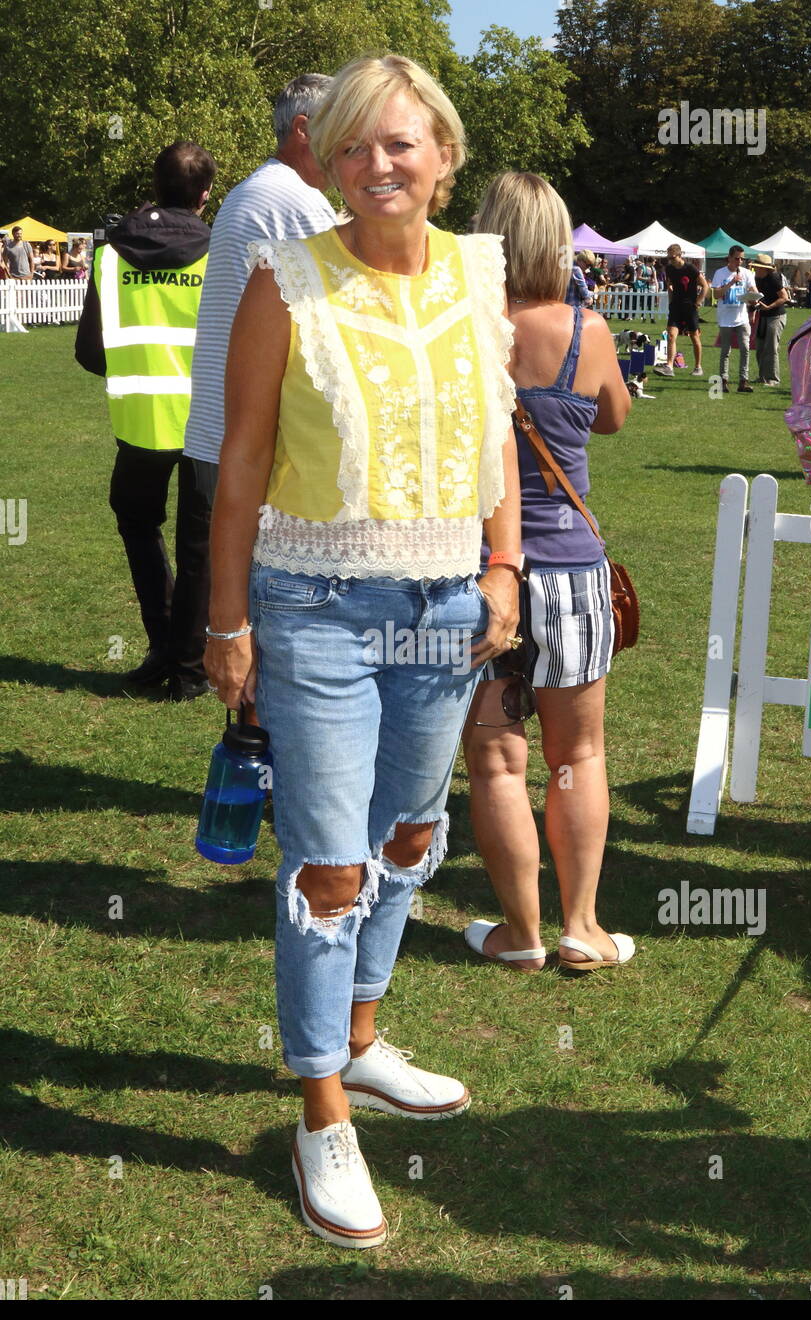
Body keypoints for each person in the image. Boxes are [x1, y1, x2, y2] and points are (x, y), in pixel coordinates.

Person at [206, 53, 522, 1250]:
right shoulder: (287, 281)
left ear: (444, 154)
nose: (378, 165)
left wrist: (505, 564)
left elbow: (493, 425)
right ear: (326, 159)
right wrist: (226, 622)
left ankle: (364, 1032)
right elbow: (238, 463)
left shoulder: (480, 272)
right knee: (330, 865)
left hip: (447, 607)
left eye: (401, 144)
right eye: (352, 146)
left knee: (409, 840)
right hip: (315, 605)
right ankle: (321, 1108)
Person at [462, 170, 633, 976]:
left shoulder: (465, 327)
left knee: (497, 756)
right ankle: (581, 925)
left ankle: (519, 931)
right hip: (570, 568)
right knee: (580, 754)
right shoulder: (589, 330)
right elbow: (615, 414)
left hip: (482, 570)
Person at [75, 141, 217, 699]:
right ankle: (188, 666)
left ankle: (164, 643)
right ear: (205, 196)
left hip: (139, 421)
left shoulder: (110, 254)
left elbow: (89, 352)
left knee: (138, 524)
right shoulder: (219, 252)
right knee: (200, 545)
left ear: (154, 187)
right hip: (206, 421)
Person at [184, 74, 336, 480]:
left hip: (219, 431)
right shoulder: (300, 203)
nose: (350, 146)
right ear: (303, 129)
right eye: (340, 127)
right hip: (256, 446)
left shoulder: (251, 190)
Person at [654, 243, 708, 378]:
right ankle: (669, 367)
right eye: (669, 258)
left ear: (680, 255)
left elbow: (705, 285)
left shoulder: (691, 269)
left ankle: (698, 367)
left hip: (690, 307)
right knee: (671, 335)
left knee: (694, 336)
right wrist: (671, 301)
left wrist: (698, 302)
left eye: (672, 258)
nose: (670, 260)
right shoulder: (669, 269)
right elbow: (669, 285)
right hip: (676, 306)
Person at [712, 244, 757, 393]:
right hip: (725, 319)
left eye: (742, 259)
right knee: (725, 351)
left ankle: (743, 382)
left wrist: (755, 298)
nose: (740, 261)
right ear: (729, 258)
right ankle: (723, 381)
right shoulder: (720, 273)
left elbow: (753, 291)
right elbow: (716, 295)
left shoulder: (747, 273)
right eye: (737, 258)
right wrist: (731, 282)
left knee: (745, 349)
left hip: (742, 318)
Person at [750, 252, 788, 386]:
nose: (755, 269)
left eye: (757, 267)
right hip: (763, 316)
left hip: (776, 316)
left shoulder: (774, 278)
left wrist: (769, 307)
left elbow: (784, 297)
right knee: (760, 347)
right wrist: (753, 310)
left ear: (765, 268)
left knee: (771, 348)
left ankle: (773, 379)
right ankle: (762, 377)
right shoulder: (756, 278)